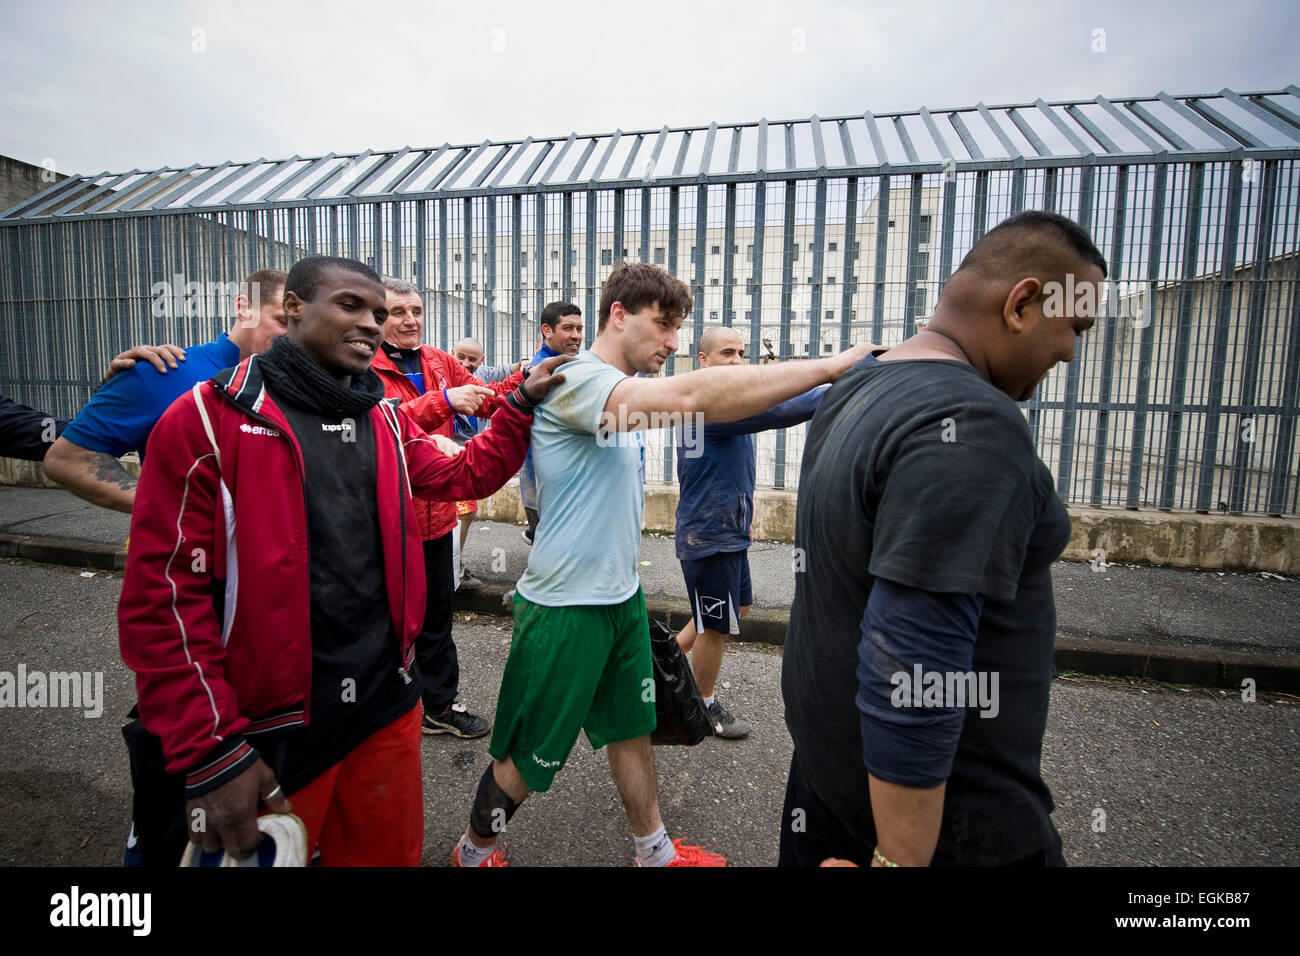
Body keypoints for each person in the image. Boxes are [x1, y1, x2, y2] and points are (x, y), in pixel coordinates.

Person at [117, 255, 568, 866]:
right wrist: (211, 750)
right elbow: (162, 603)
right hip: (269, 729)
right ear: (294, 308)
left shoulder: (381, 416)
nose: (372, 323)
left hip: (386, 705)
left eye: (379, 313)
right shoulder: (206, 419)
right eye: (351, 306)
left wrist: (519, 404)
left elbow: (467, 472)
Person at [451, 262, 871, 867]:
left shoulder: (620, 389)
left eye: (679, 328)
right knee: (524, 756)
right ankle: (473, 851)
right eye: (665, 325)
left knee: (630, 727)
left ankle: (656, 853)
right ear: (619, 315)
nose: (674, 342)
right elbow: (696, 395)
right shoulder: (577, 380)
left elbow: (713, 408)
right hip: (567, 607)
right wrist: (834, 365)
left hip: (620, 599)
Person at [779, 210, 1106, 867]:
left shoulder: (857, 387)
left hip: (828, 791)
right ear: (1022, 304)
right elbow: (912, 664)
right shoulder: (971, 422)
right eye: (1074, 327)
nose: (1071, 350)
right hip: (951, 830)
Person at [370, 279, 526, 739]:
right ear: (378, 318)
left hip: (436, 514)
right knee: (386, 623)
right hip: (387, 522)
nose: (410, 320)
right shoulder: (363, 365)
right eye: (397, 311)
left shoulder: (437, 360)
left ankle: (439, 705)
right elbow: (374, 425)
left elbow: (485, 396)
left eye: (416, 310)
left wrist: (526, 380)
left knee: (438, 615)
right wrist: (442, 401)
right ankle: (378, 712)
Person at [674, 326, 832, 738]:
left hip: (725, 530)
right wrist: (832, 383)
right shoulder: (706, 405)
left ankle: (671, 655)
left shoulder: (711, 400)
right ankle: (703, 705)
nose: (738, 362)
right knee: (717, 626)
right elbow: (777, 410)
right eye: (728, 353)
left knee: (735, 610)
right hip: (709, 535)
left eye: (742, 353)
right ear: (703, 360)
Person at [44, 270, 288, 512]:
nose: (294, 336)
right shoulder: (165, 370)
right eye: (283, 321)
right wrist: (164, 504)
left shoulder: (300, 384)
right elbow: (68, 458)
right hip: (187, 548)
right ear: (243, 308)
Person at [448, 336, 525, 587]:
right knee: (462, 513)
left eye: (472, 359)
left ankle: (454, 567)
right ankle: (453, 569)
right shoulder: (442, 372)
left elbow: (503, 374)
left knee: (466, 514)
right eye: (461, 357)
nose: (466, 363)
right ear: (451, 353)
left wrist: (524, 367)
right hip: (445, 455)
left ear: (481, 361)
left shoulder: (479, 376)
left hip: (467, 456)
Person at [518, 301, 584, 543]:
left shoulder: (574, 362)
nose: (576, 335)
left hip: (562, 470)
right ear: (547, 330)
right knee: (549, 541)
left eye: (579, 328)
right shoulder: (541, 370)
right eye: (568, 328)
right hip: (541, 471)